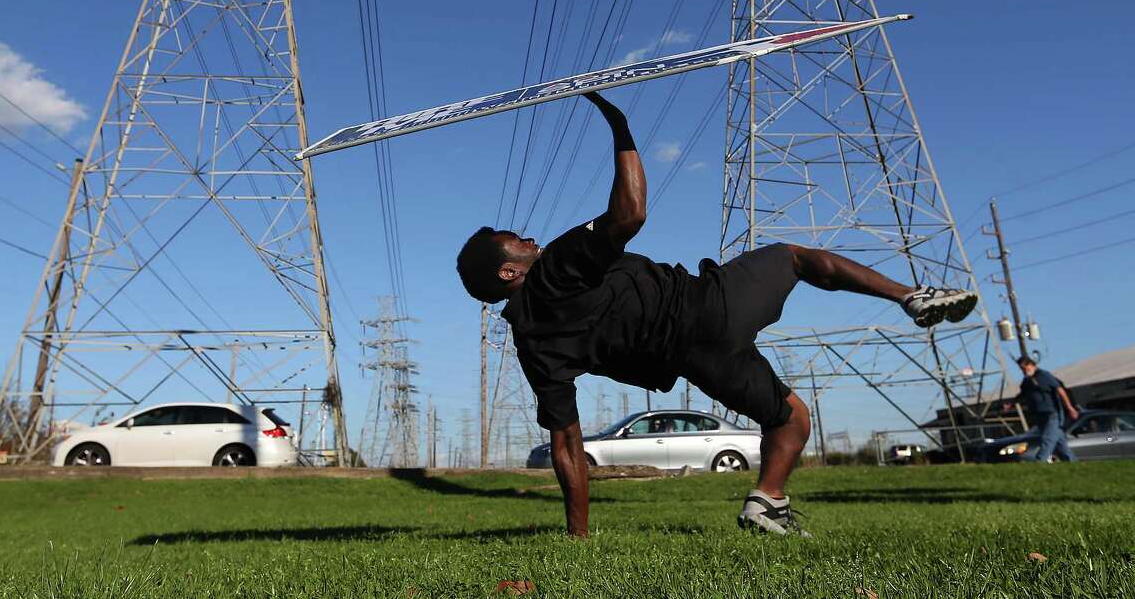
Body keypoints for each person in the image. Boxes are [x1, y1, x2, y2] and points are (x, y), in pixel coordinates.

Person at [456, 92, 978, 538]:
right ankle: (912, 297)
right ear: (508, 272)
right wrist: (619, 125)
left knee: (790, 418)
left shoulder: (533, 344)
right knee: (794, 258)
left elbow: (566, 442)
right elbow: (631, 212)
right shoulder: (556, 266)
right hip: (708, 305)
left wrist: (579, 537)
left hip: (699, 359)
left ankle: (766, 502)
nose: (530, 240)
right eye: (517, 242)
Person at [1017, 355, 1079, 462]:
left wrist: (1070, 408)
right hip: (1039, 415)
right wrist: (1010, 404)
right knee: (1060, 442)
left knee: (1047, 439)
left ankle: (1040, 460)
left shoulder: (1044, 375)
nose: (1023, 371)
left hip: (1052, 414)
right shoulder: (1027, 381)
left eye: (1025, 368)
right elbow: (1022, 394)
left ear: (1031, 365)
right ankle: (1071, 461)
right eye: (1021, 369)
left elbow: (1060, 391)